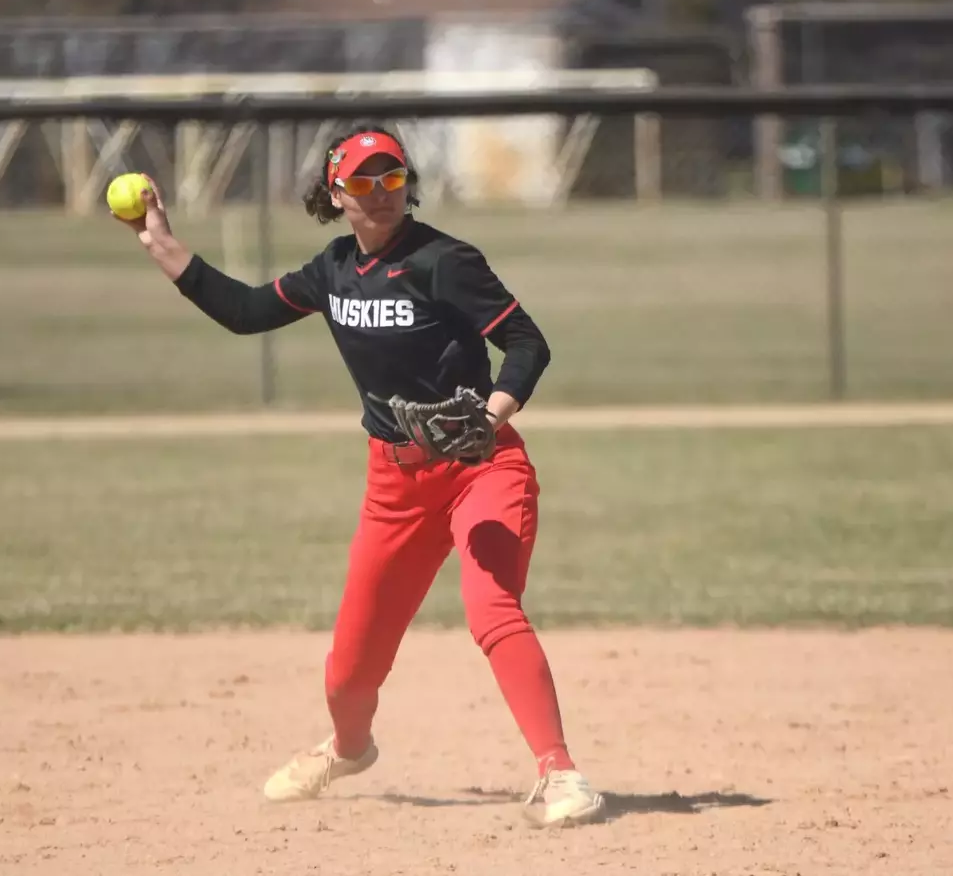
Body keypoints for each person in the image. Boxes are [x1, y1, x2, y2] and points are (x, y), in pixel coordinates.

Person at [116, 120, 607, 830]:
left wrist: (491, 417)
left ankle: (560, 773)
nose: (380, 193)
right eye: (363, 181)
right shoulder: (333, 270)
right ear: (335, 193)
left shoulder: (445, 261)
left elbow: (527, 344)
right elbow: (246, 311)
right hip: (394, 487)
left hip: (480, 466)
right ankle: (349, 748)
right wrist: (159, 241)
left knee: (492, 606)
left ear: (409, 186)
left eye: (393, 178)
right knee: (349, 669)